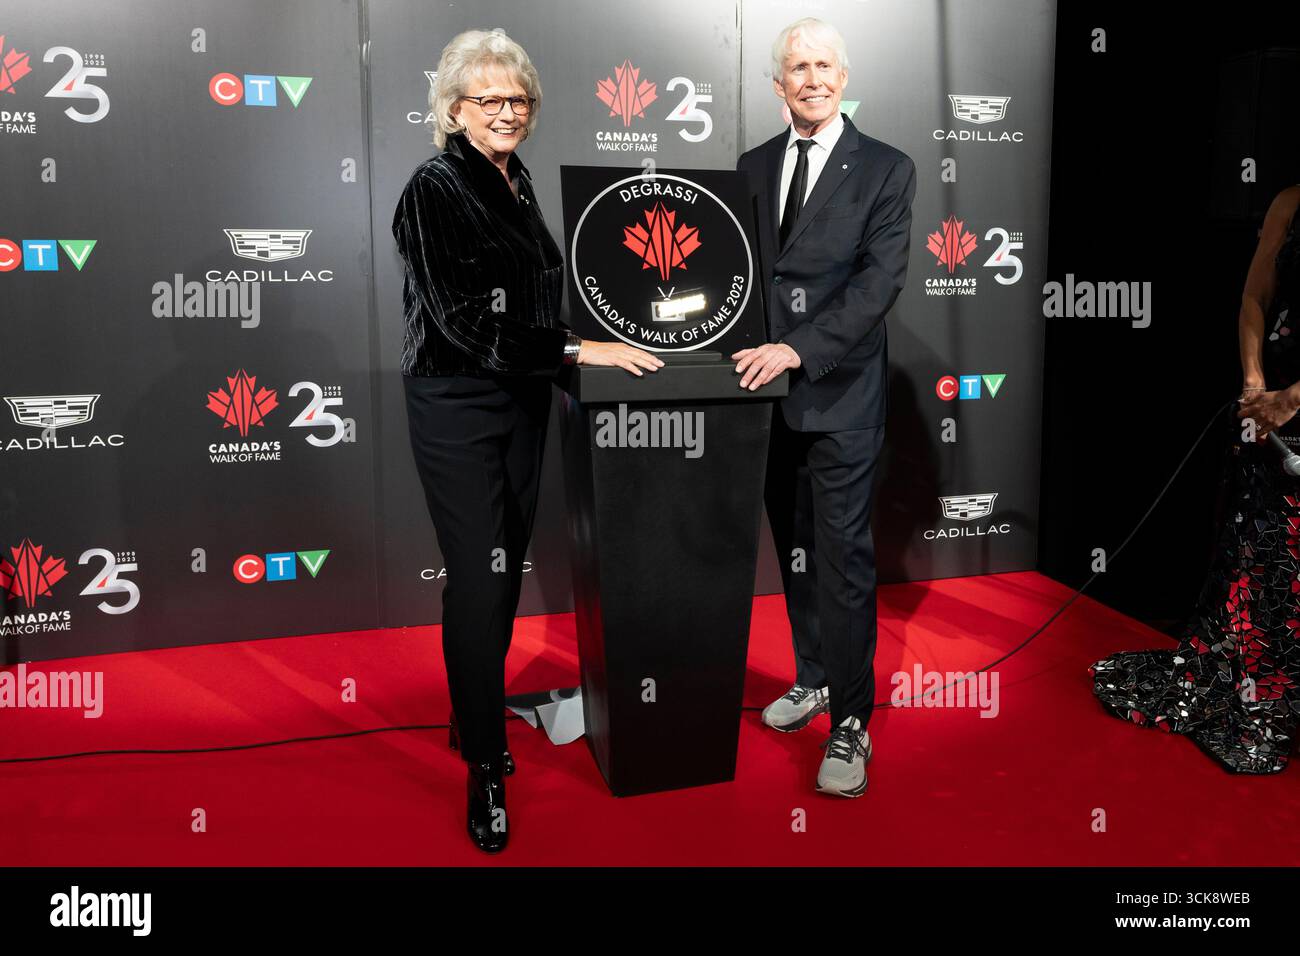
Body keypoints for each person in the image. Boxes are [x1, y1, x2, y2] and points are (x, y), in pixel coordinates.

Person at [393, 28, 662, 852]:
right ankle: (483, 763)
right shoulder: (434, 187)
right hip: (458, 400)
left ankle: (466, 712)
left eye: (519, 100)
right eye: (489, 100)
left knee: (500, 568)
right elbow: (466, 323)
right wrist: (582, 350)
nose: (507, 112)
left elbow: (544, 293)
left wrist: (628, 321)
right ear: (454, 110)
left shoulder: (516, 181)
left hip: (522, 401)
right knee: (479, 578)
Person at [733, 17, 916, 797]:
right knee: (797, 549)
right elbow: (738, 274)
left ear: (843, 77)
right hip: (764, 401)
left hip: (839, 396)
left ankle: (850, 719)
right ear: (779, 86)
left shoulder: (886, 167)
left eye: (822, 65)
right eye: (795, 68)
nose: (810, 78)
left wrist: (799, 347)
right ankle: (810, 677)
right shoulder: (751, 164)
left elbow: (877, 286)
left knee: (842, 561)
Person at [1091, 185, 1300, 773]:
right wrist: (1257, 383)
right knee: (1258, 555)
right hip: (1270, 413)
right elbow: (1256, 295)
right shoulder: (1289, 203)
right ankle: (1256, 682)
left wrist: (1295, 398)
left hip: (1293, 405)